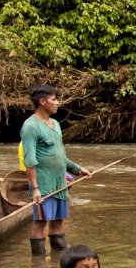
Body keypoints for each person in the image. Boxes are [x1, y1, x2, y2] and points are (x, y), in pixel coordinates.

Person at [20, 84, 92, 256]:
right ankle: (38, 262)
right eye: (54, 99)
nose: (58, 102)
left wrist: (77, 169)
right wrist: (35, 189)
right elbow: (29, 160)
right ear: (42, 102)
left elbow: (60, 155)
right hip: (43, 184)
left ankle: (58, 259)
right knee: (41, 222)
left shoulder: (56, 124)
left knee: (58, 221)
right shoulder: (30, 126)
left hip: (60, 182)